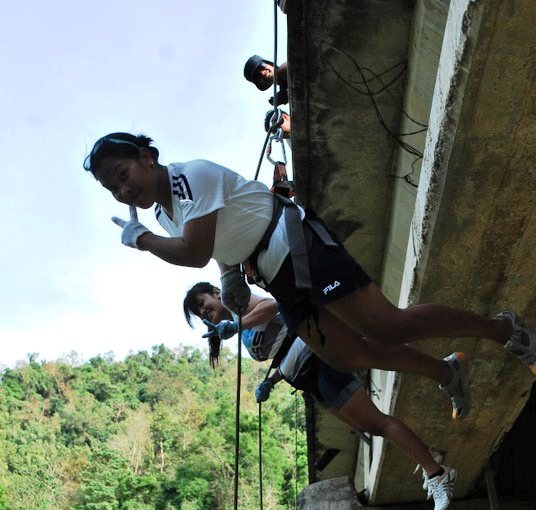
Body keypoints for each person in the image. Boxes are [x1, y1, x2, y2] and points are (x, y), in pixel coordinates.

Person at [83, 131, 536, 429]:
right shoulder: (165, 211)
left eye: (124, 176)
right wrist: (228, 278)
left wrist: (141, 241)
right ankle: (447, 370)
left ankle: (504, 329)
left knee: (386, 326)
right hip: (276, 275)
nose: (124, 192)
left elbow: (194, 250)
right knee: (347, 353)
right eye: (113, 189)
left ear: (146, 157)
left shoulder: (189, 178)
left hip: (296, 244)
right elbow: (219, 244)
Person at [183, 282, 456, 510]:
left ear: (217, 293)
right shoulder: (240, 331)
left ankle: (436, 471)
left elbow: (272, 306)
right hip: (306, 377)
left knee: (377, 422)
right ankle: (425, 453)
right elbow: (282, 350)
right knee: (368, 426)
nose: (204, 311)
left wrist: (237, 322)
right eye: (199, 312)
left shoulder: (239, 305)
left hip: (319, 357)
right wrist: (270, 381)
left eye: (202, 303)